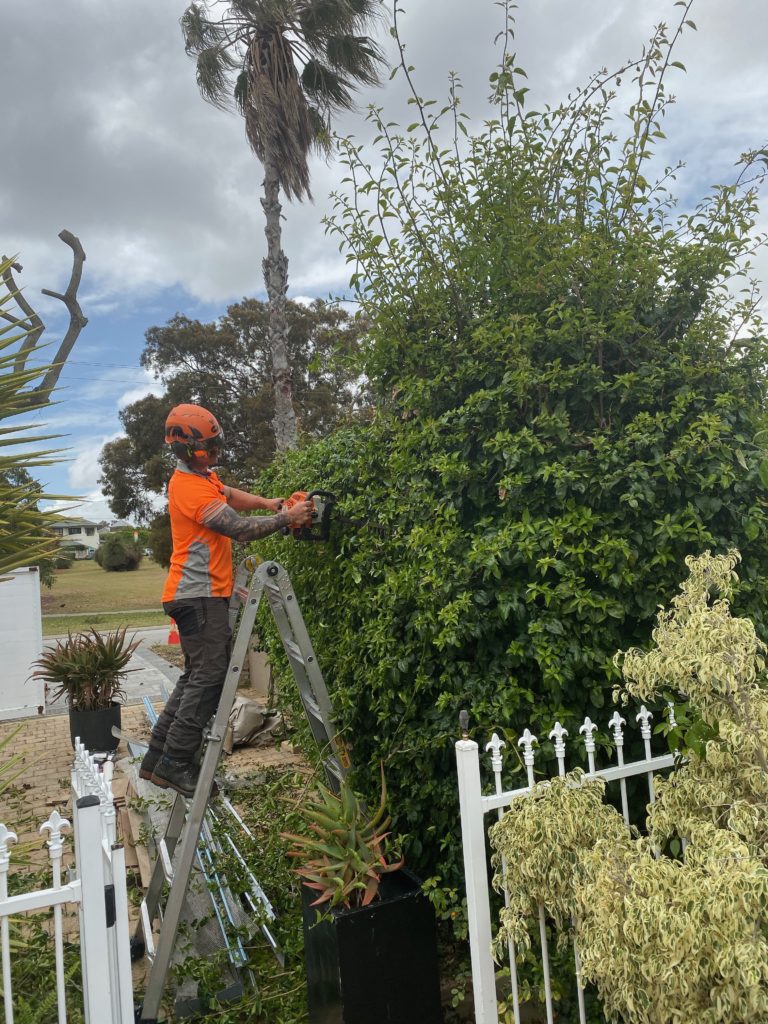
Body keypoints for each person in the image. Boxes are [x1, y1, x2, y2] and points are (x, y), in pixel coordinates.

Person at [139, 403, 312, 797]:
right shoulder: (188, 487)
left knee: (194, 676)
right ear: (186, 450)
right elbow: (239, 530)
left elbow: (231, 495)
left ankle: (157, 759)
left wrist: (272, 504)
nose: (215, 456)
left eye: (217, 448)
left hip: (202, 593)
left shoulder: (204, 479)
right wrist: (290, 517)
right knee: (210, 677)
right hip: (197, 597)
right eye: (209, 450)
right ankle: (177, 762)